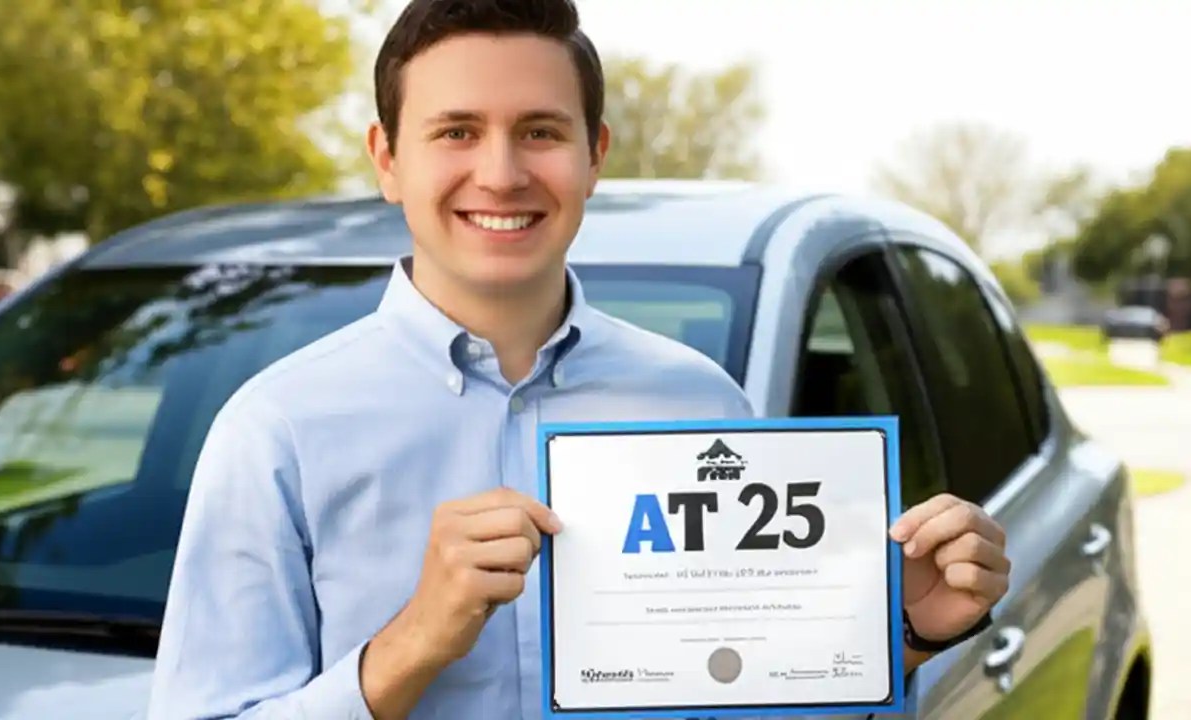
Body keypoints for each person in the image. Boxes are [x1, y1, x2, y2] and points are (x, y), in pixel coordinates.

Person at [147, 0, 1012, 718]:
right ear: (387, 158)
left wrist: (904, 634)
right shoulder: (277, 432)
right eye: (455, 131)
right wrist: (410, 646)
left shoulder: (700, 405)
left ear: (593, 154)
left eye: (539, 131)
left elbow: (753, 691)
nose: (501, 172)